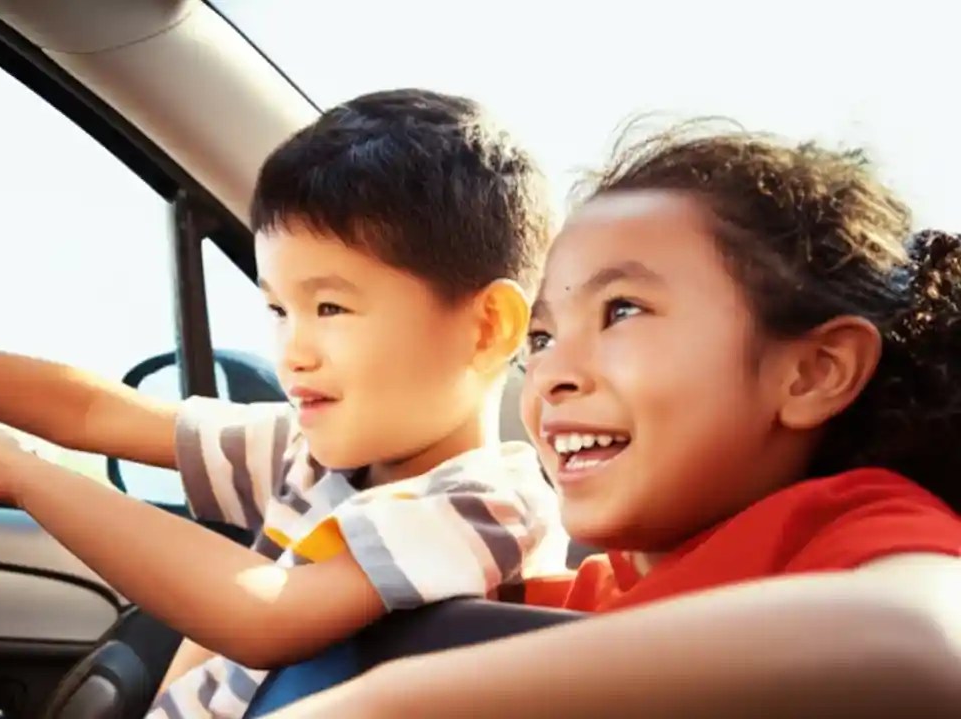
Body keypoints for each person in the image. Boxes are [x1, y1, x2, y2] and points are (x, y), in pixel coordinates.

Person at [0, 89, 568, 718]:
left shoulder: (490, 502)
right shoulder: (311, 453)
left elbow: (263, 615)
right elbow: (95, 412)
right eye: (277, 308)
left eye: (331, 307)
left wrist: (19, 470)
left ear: (488, 327)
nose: (292, 347)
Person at [257, 121, 961, 718]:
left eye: (622, 311)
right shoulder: (595, 596)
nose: (552, 373)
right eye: (541, 338)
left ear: (813, 373)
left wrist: (387, 702)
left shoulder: (844, 525)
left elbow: (927, 638)